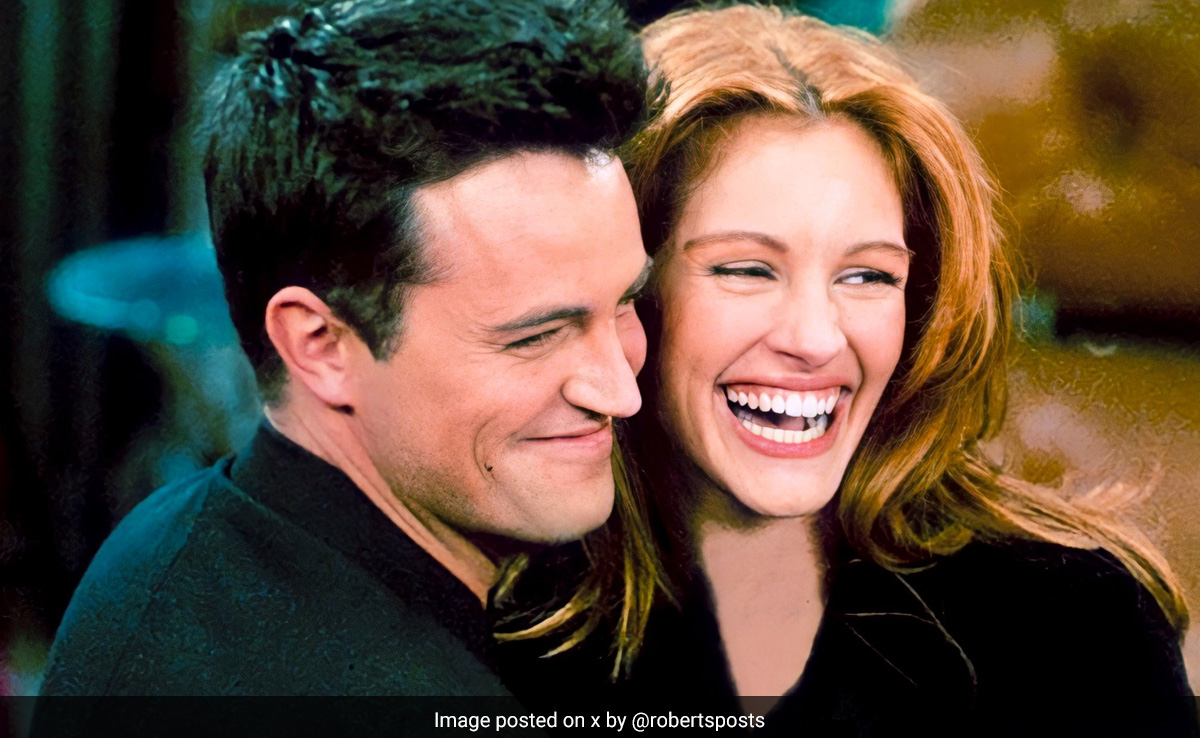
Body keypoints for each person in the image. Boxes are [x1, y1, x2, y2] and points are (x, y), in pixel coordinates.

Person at [35, 0, 658, 698]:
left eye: (626, 303)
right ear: (320, 344)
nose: (620, 392)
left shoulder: (166, 547)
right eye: (536, 336)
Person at [610, 5, 1194, 733]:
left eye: (868, 276)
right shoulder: (514, 617)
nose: (816, 339)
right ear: (624, 290)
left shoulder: (1077, 622)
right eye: (747, 269)